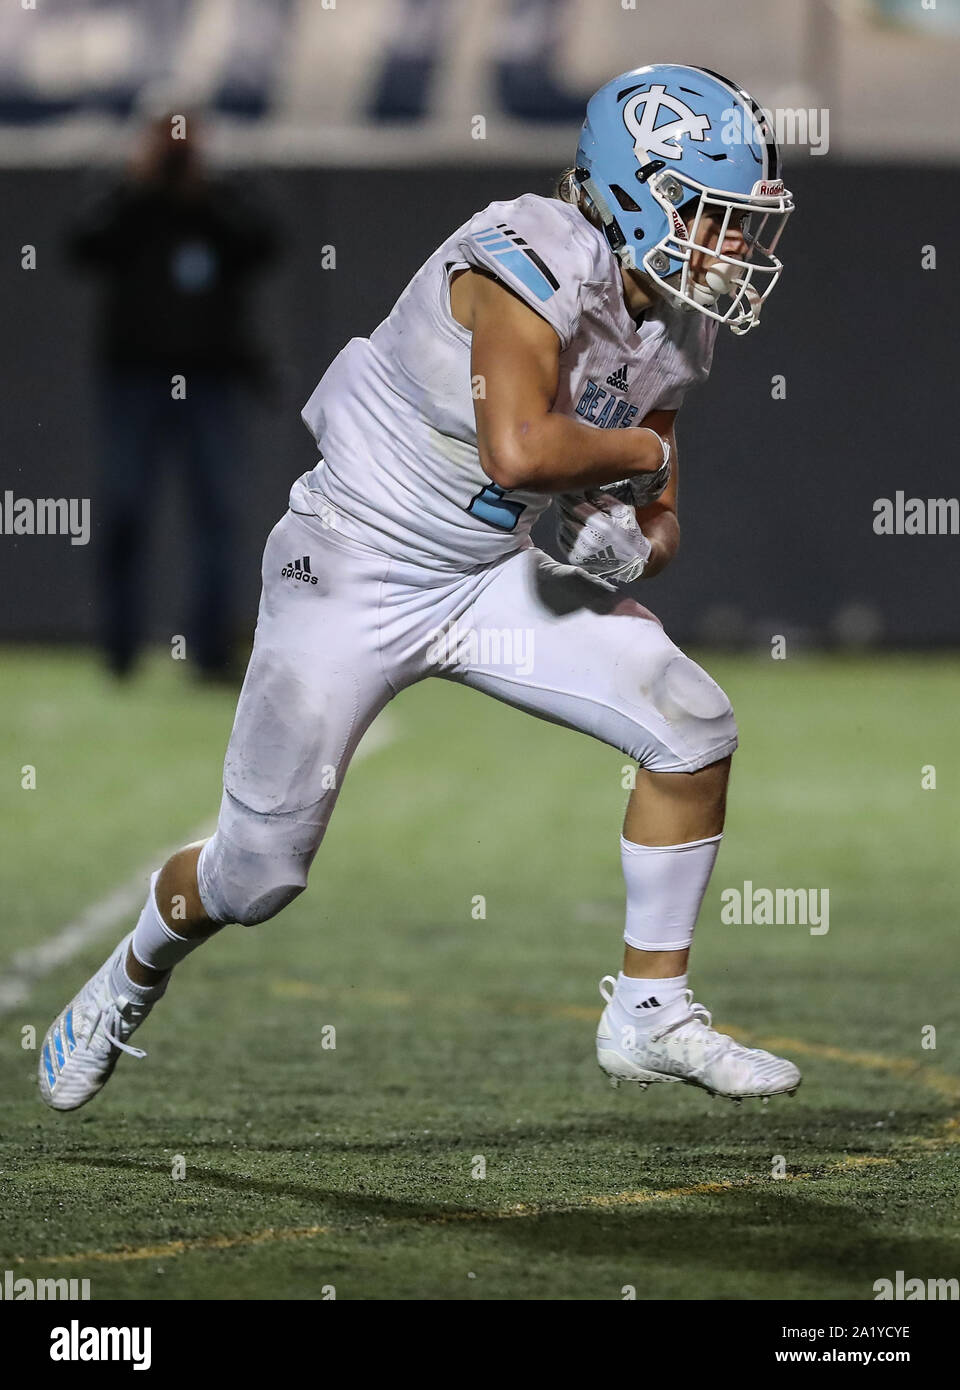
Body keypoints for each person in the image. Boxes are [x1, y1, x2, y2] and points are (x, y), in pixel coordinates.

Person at [40, 64, 801, 1112]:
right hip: (347, 564)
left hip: (481, 578)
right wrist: (624, 468)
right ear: (635, 191)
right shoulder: (528, 252)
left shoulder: (676, 319)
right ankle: (129, 975)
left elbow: (657, 507)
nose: (731, 246)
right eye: (713, 215)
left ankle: (649, 1013)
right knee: (257, 876)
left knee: (693, 725)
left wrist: (632, 546)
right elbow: (522, 453)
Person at [66, 105, 280, 679]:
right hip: (135, 379)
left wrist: (203, 193)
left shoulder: (220, 192)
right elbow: (81, 245)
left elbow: (264, 243)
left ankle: (209, 651)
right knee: (126, 509)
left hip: (209, 379)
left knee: (216, 515)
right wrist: (139, 186)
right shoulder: (125, 192)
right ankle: (118, 651)